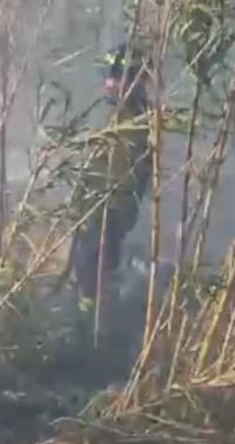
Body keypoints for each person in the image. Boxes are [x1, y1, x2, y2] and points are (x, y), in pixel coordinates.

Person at [69, 43, 151, 336]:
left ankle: (93, 330)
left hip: (107, 210)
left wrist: (108, 209)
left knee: (92, 269)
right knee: (84, 266)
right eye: (109, 76)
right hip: (94, 209)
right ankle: (89, 323)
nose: (110, 83)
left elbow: (125, 175)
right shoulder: (116, 115)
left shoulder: (135, 121)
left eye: (118, 77)